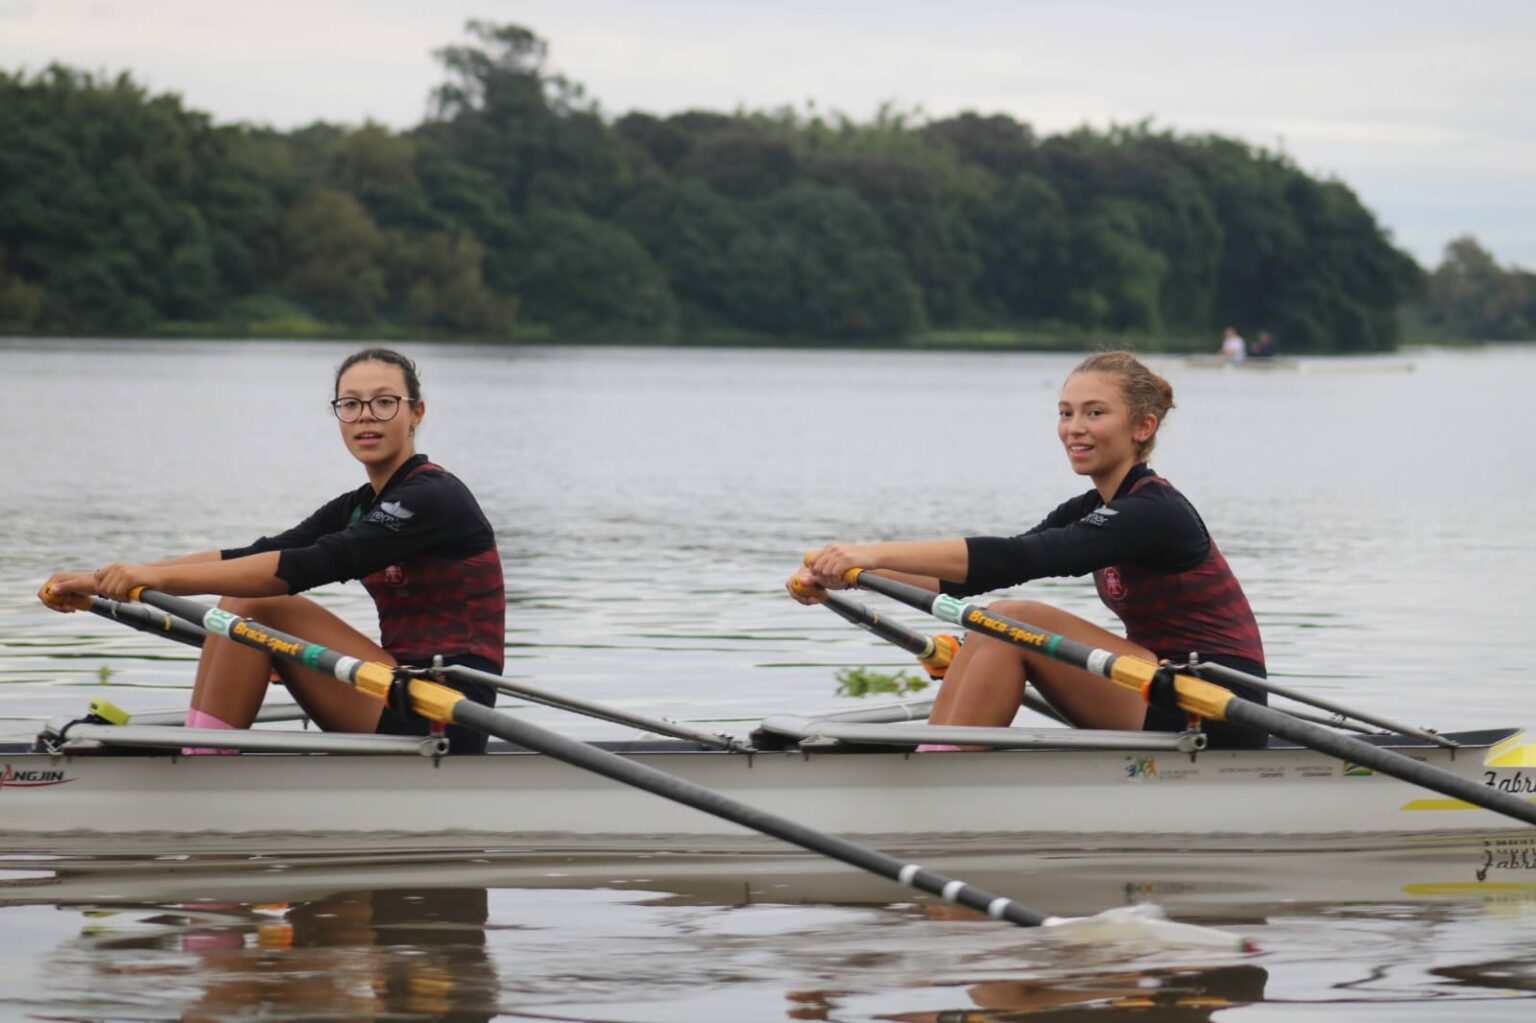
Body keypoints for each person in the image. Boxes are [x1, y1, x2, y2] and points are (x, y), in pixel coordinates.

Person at [790, 350, 1268, 750]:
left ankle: (941, 776)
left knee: (1012, 619)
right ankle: (936, 755)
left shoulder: (1154, 510)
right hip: (1158, 682)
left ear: (1142, 427)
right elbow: (972, 576)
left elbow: (1017, 559)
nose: (1074, 428)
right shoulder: (1091, 507)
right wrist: (849, 576)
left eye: (1094, 413)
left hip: (1217, 704)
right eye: (1066, 413)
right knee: (993, 623)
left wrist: (870, 553)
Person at [39, 348, 505, 754]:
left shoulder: (433, 497)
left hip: (447, 711)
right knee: (244, 605)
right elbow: (255, 554)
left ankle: (202, 769)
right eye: (351, 404)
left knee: (257, 603)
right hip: (395, 687)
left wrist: (155, 581)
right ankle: (202, 753)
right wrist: (106, 579)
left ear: (416, 413)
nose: (366, 415)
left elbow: (304, 567)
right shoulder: (358, 506)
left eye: (385, 403)